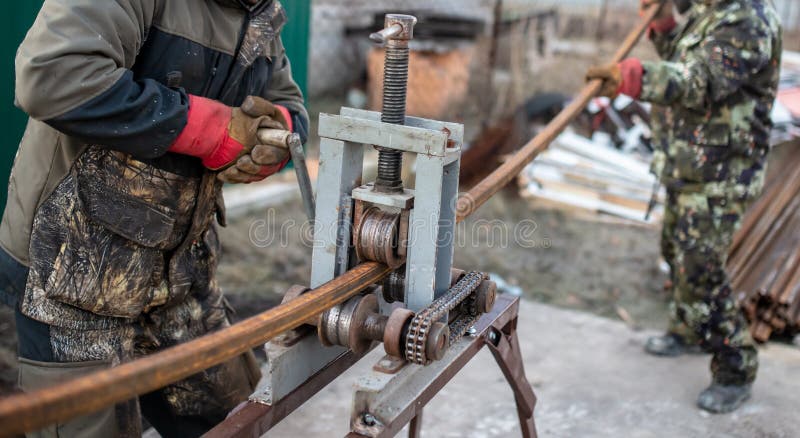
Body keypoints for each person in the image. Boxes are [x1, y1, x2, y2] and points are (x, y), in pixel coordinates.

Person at [0, 0, 309, 436]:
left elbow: (290, 104)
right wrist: (208, 131)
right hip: (72, 275)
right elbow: (51, 75)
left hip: (179, 275)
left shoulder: (258, 10)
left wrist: (274, 133)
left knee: (238, 422)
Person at [586, 0, 781, 413]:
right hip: (688, 163)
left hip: (722, 173)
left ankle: (735, 366)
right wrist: (665, 25)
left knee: (701, 272)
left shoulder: (748, 19)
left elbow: (700, 82)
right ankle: (689, 330)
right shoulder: (711, 12)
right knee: (675, 253)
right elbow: (681, 56)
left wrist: (633, 78)